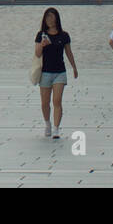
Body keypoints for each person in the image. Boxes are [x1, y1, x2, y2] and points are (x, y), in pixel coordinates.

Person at [34, 7, 77, 139]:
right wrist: (42, 45)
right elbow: (37, 54)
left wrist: (74, 67)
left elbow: (68, 52)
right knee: (45, 103)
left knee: (57, 101)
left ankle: (56, 128)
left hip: (60, 72)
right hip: (45, 72)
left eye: (52, 17)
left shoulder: (64, 35)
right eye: (47, 17)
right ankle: (48, 124)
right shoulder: (41, 35)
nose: (50, 20)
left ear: (57, 18)